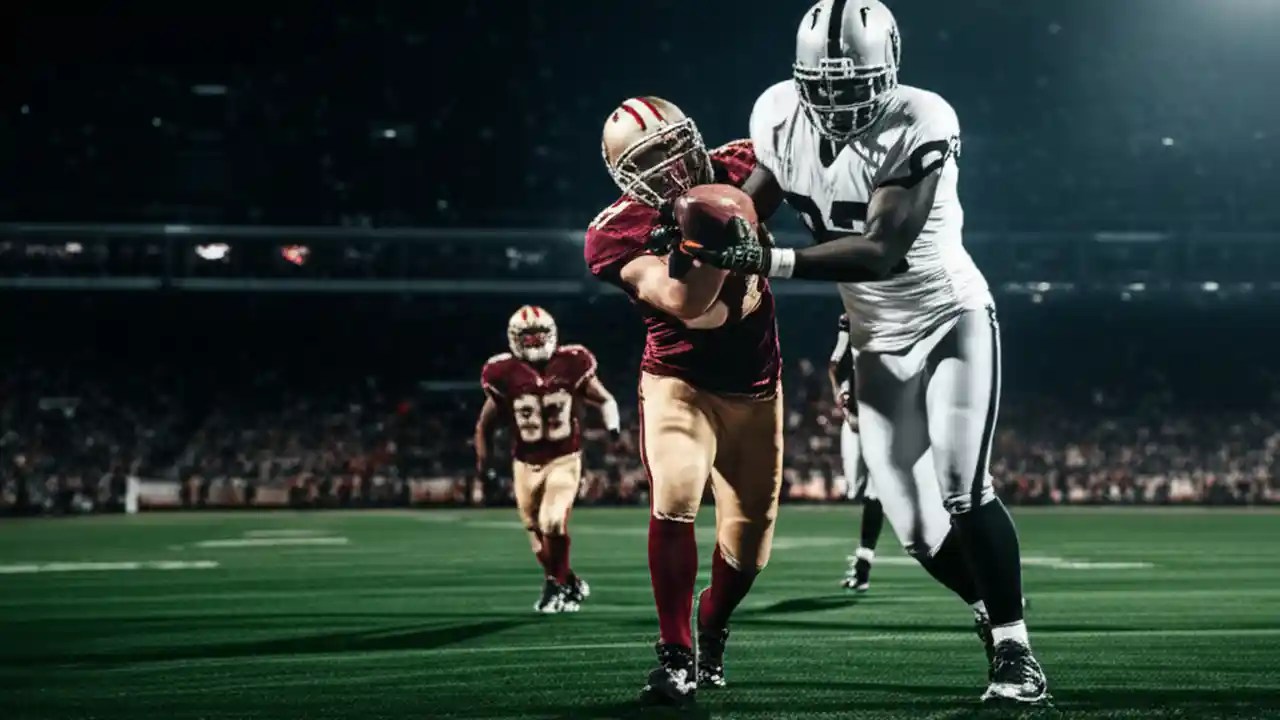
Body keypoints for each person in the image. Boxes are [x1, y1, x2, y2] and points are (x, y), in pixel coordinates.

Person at [683, 1, 1049, 705]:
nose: (833, 101)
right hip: (875, 337)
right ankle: (989, 615)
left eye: (851, 86)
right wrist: (694, 230)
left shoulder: (922, 118)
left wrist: (763, 258)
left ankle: (1016, 652)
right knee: (912, 526)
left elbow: (882, 251)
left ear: (889, 73)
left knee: (962, 487)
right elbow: (750, 206)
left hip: (949, 318)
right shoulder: (779, 115)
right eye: (819, 85)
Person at [584, 96, 783, 706]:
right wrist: (711, 233)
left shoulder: (738, 165)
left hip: (756, 387)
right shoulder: (616, 231)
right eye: (654, 160)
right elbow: (686, 302)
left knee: (749, 551)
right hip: (679, 382)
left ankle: (712, 619)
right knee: (674, 494)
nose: (674, 167)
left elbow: (803, 163)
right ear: (628, 179)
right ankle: (674, 655)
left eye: (677, 146)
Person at [475, 305, 620, 613]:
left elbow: (604, 397)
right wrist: (483, 467)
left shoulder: (572, 362)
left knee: (552, 521)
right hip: (524, 463)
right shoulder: (502, 373)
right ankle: (567, 582)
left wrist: (613, 425)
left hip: (564, 458)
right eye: (527, 339)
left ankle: (555, 585)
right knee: (536, 533)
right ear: (515, 339)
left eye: (539, 336)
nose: (535, 343)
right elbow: (484, 426)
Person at [829, 313, 883, 593]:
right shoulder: (851, 318)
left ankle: (863, 564)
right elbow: (837, 362)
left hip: (888, 417)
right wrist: (843, 396)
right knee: (857, 487)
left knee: (877, 491)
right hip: (858, 417)